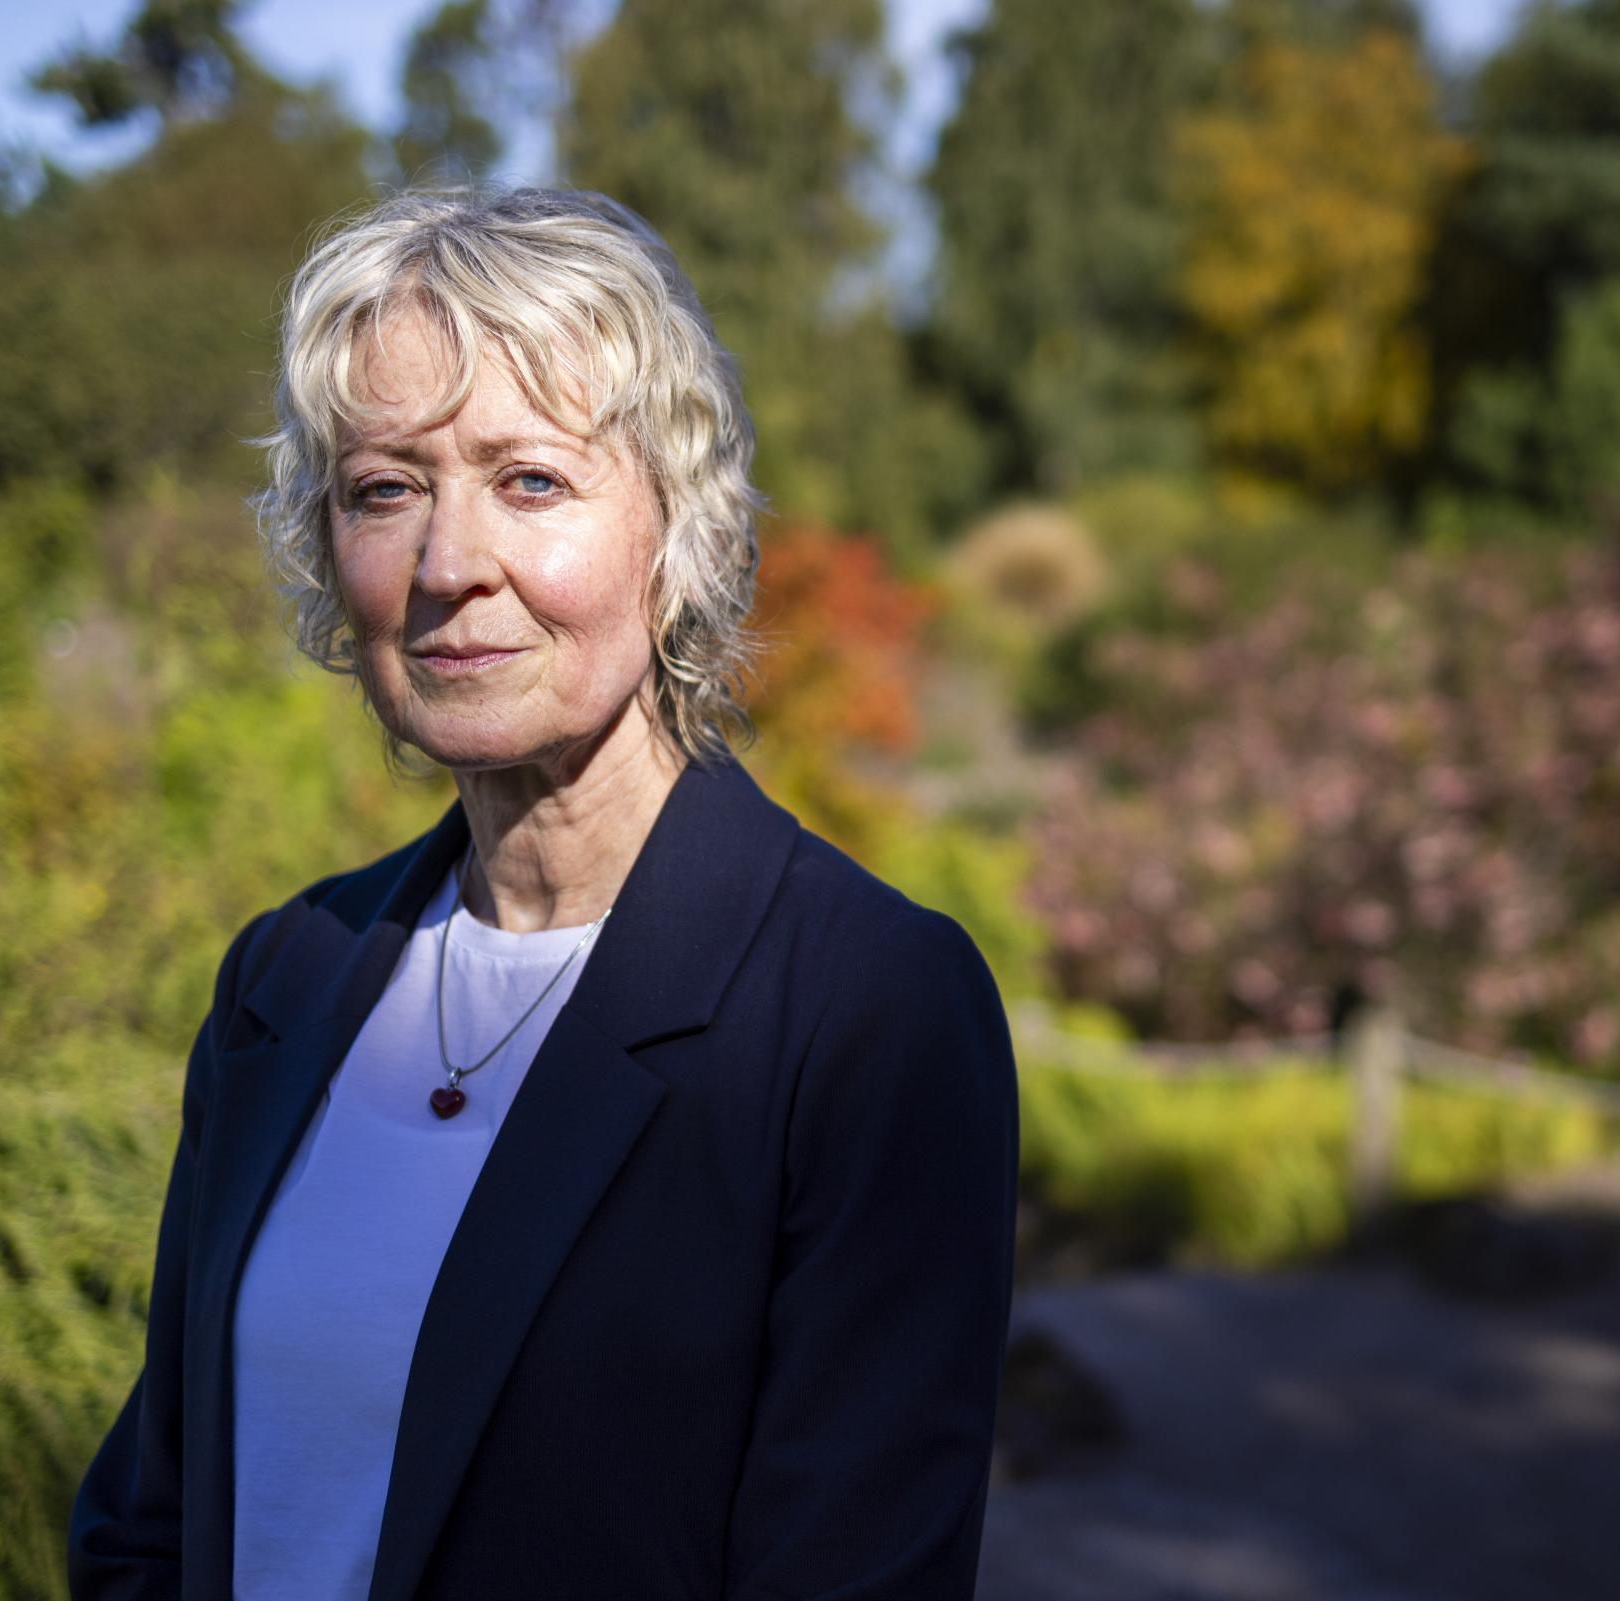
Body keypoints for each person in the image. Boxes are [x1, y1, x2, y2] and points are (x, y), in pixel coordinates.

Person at [65, 186, 1019, 1601]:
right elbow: (152, 1521)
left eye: (530, 481)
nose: (452, 566)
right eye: (387, 488)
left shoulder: (861, 1008)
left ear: (672, 525)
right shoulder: (289, 977)